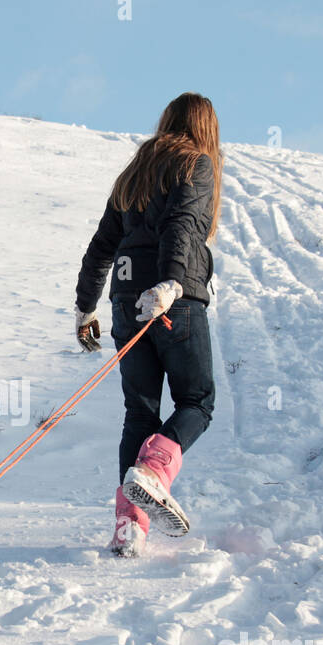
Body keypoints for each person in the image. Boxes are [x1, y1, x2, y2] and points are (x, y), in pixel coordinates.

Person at [74, 92, 222, 557]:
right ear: (205, 127)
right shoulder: (195, 164)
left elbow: (102, 246)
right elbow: (181, 223)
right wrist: (173, 282)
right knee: (197, 400)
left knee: (140, 412)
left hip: (123, 302)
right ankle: (154, 472)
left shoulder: (134, 173)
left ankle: (128, 529)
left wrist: (85, 307)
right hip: (171, 301)